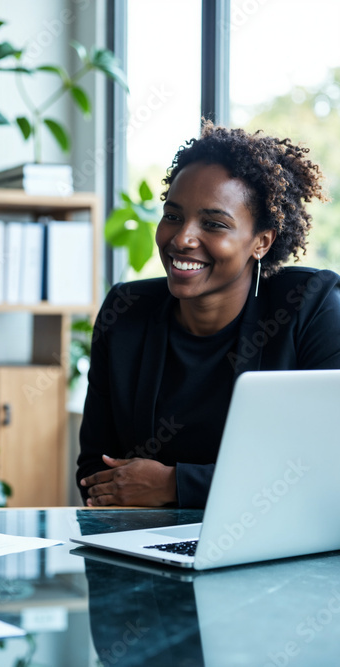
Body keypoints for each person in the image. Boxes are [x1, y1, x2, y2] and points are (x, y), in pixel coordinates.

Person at [77, 121, 340, 508]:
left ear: (261, 242)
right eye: (172, 216)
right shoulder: (126, 311)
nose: (182, 238)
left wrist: (175, 485)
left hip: (273, 539)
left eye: (214, 224)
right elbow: (95, 472)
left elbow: (326, 468)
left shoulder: (310, 306)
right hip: (142, 535)